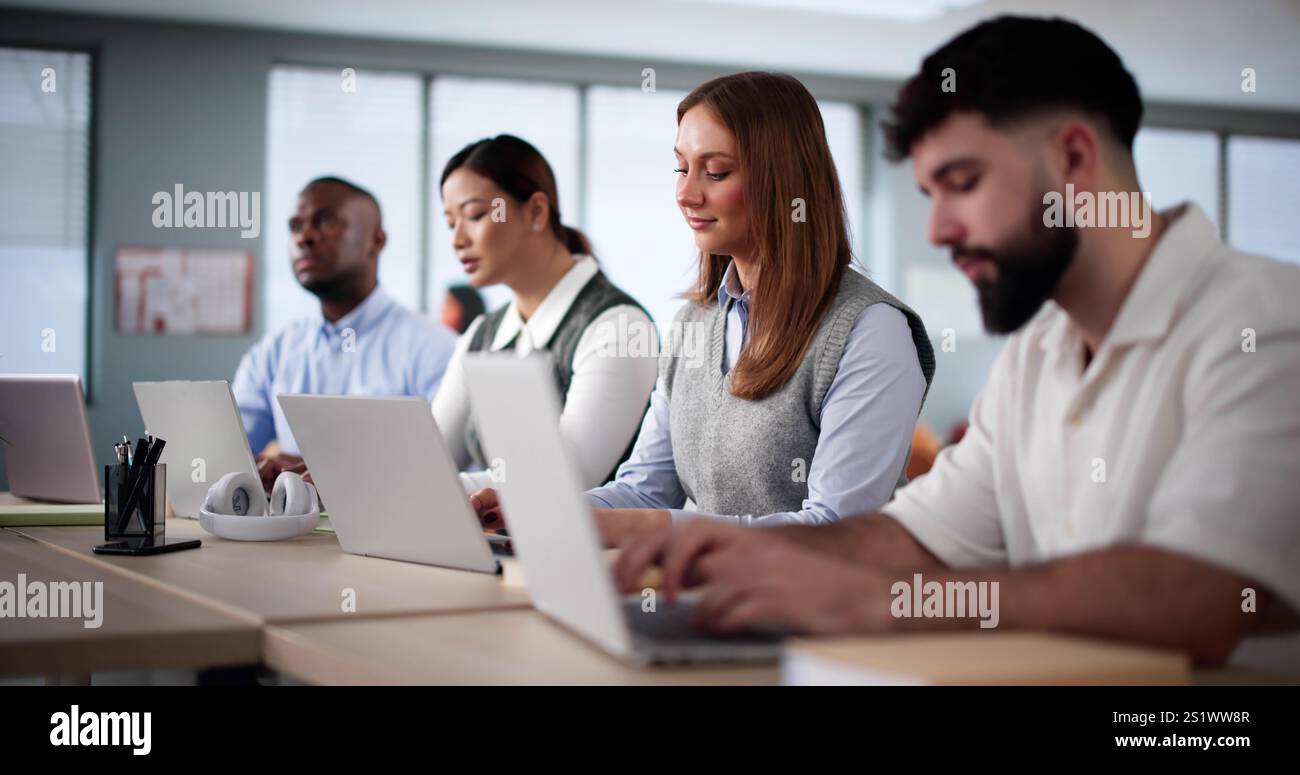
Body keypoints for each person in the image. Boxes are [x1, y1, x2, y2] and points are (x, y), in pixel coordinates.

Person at [614, 16, 1300, 670]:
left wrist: (883, 601)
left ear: (1074, 158)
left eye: (962, 184)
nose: (937, 231)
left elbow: (1196, 597)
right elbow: (910, 536)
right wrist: (734, 549)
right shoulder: (1037, 355)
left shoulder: (1264, 323)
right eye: (928, 193)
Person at [473, 73, 934, 546]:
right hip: (702, 599)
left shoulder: (871, 331)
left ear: (783, 181)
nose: (686, 194)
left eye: (715, 172)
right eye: (681, 169)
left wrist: (651, 528)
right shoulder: (694, 325)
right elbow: (647, 491)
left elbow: (835, 531)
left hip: (814, 616)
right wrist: (538, 506)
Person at [434, 135, 658, 493]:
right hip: (504, 541)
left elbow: (564, 477)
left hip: (599, 547)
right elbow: (434, 455)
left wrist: (420, 483)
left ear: (536, 212)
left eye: (475, 215)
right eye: (450, 223)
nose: (457, 239)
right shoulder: (482, 334)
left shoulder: (619, 326)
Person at [233, 176, 456, 490]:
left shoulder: (435, 349)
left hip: (395, 536)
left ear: (376, 241)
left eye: (326, 222)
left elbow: (447, 467)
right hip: (289, 538)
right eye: (295, 226)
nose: (305, 236)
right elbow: (228, 452)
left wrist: (328, 470)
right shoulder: (274, 351)